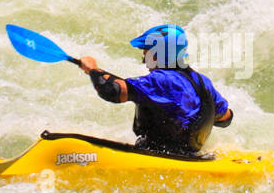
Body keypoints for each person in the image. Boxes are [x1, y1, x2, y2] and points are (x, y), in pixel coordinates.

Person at [79, 24, 233, 155]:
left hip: (159, 155)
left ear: (158, 54)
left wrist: (92, 69)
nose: (144, 60)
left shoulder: (160, 80)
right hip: (191, 155)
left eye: (146, 54)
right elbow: (225, 118)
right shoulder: (202, 81)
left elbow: (112, 91)